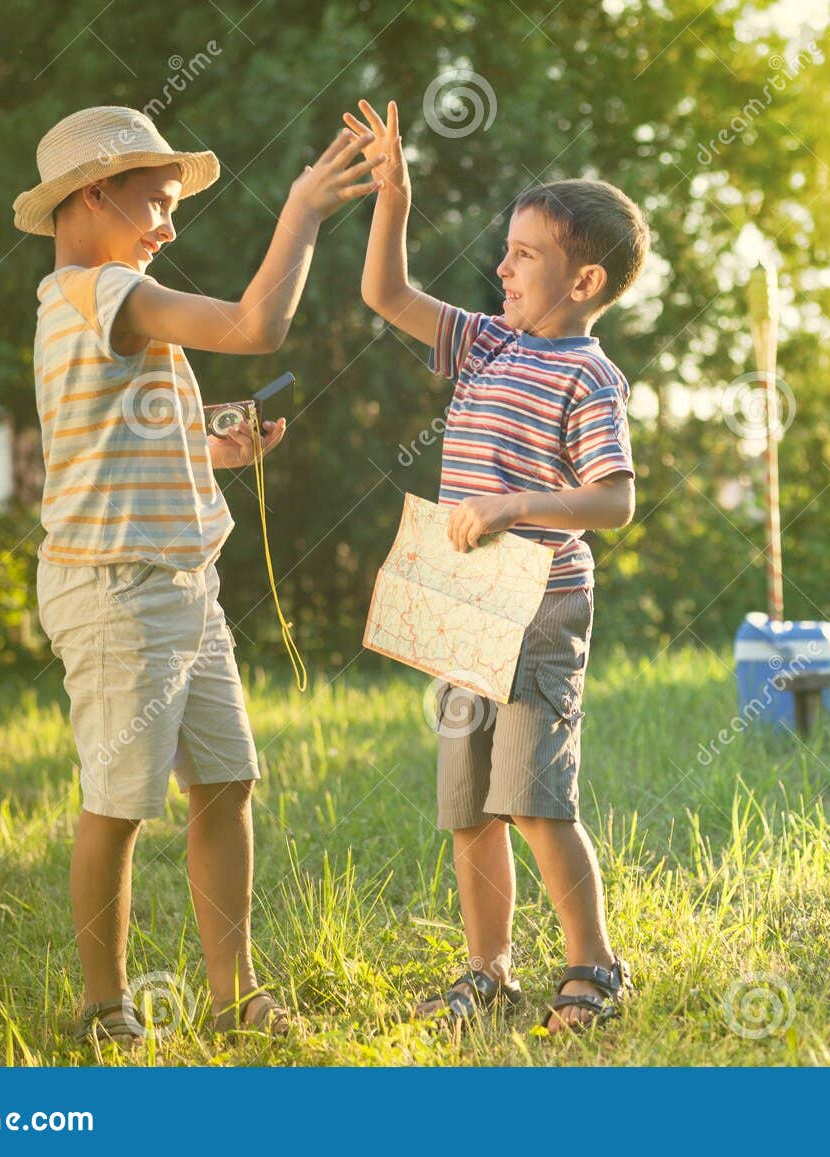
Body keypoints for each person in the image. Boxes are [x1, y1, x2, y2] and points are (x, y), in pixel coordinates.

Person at [13, 104, 382, 1045]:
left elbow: (121, 440)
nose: (169, 227)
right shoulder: (101, 293)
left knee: (225, 782)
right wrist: (301, 208)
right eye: (157, 204)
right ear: (92, 194)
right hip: (117, 587)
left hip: (183, 580)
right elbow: (258, 326)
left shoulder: (107, 301)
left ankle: (233, 992)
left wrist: (213, 449)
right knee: (120, 800)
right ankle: (105, 1005)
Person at [353, 98, 647, 1031]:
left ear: (583, 277)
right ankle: (488, 971)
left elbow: (614, 500)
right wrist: (393, 197)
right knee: (471, 803)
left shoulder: (588, 377)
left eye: (525, 254)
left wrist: (516, 504)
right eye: (507, 250)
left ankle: (592, 967)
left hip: (539, 609)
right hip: (463, 605)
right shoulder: (485, 343)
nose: (502, 266)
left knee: (532, 798)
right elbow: (387, 296)